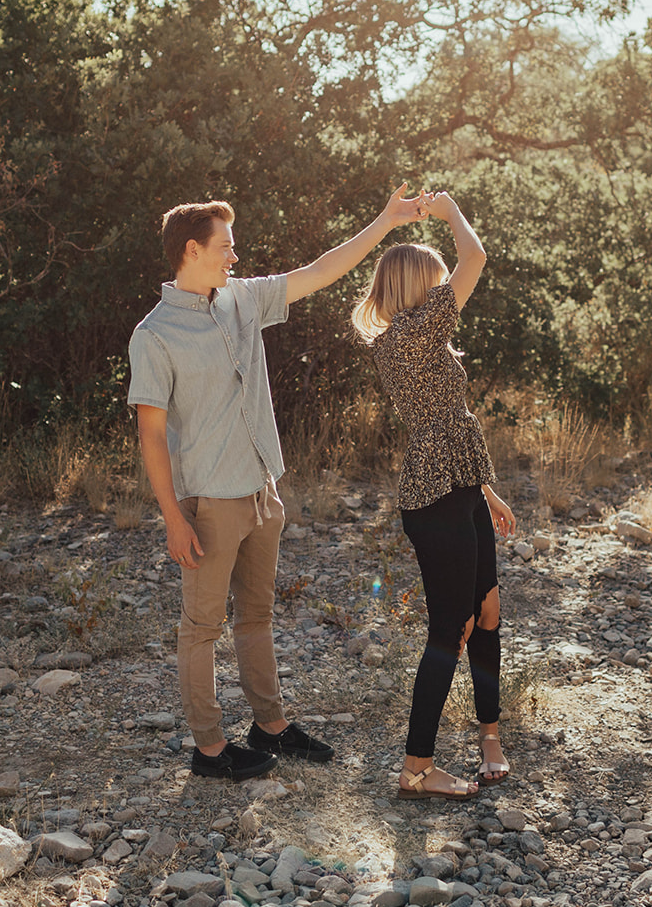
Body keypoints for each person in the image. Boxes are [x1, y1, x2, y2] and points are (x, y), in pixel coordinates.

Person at [128, 185, 429, 781]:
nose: (235, 257)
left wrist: (385, 221)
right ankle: (209, 749)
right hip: (208, 501)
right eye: (226, 247)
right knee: (202, 628)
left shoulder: (242, 300)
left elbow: (319, 271)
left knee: (258, 616)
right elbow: (152, 436)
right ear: (193, 250)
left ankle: (269, 726)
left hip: (261, 490)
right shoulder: (155, 335)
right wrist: (173, 516)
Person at [351, 191, 514, 800]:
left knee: (488, 609)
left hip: (461, 484)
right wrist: (446, 209)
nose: (449, 286)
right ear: (418, 285)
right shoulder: (409, 337)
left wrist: (486, 493)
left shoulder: (421, 336)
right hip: (434, 495)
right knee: (452, 626)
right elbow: (477, 255)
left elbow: (452, 425)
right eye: (438, 279)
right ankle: (417, 768)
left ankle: (490, 736)